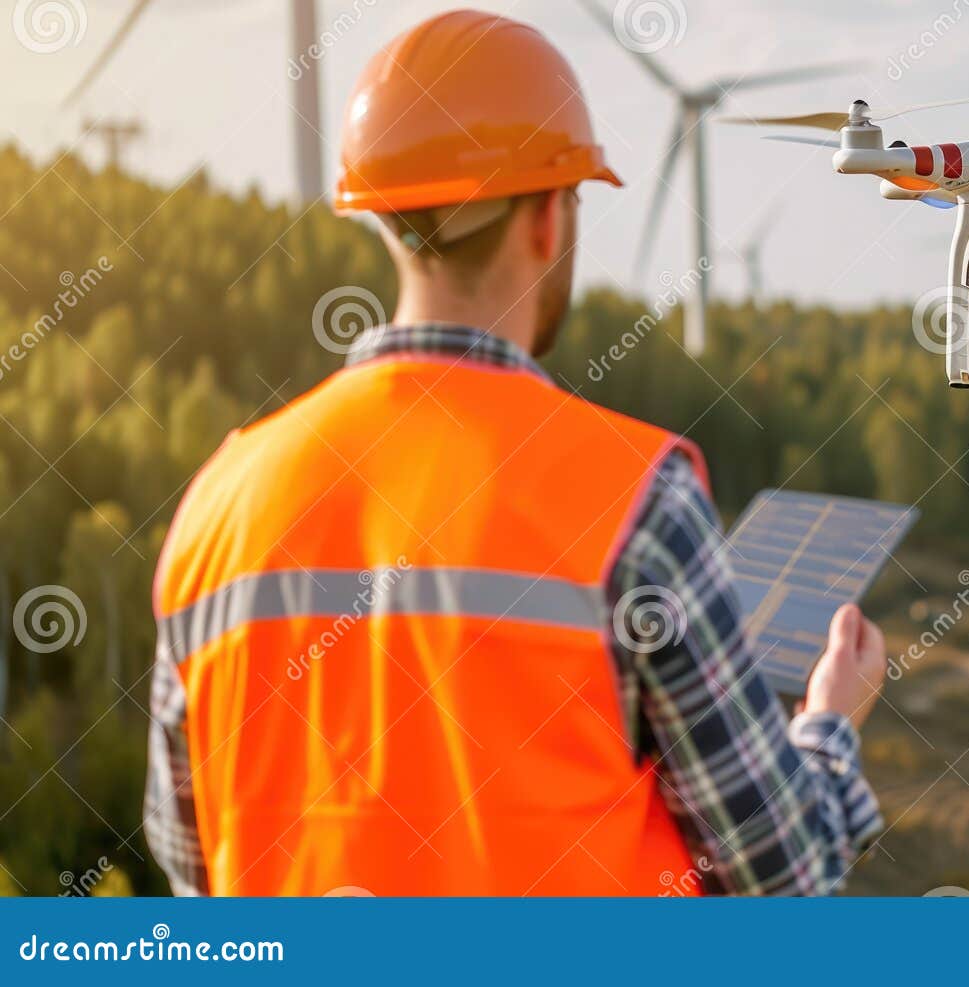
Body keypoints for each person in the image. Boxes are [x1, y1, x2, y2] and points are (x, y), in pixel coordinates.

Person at [143, 9, 886, 896]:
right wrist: (828, 726)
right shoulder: (635, 498)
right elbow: (784, 874)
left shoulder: (218, 505)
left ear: (380, 219)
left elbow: (188, 854)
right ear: (546, 218)